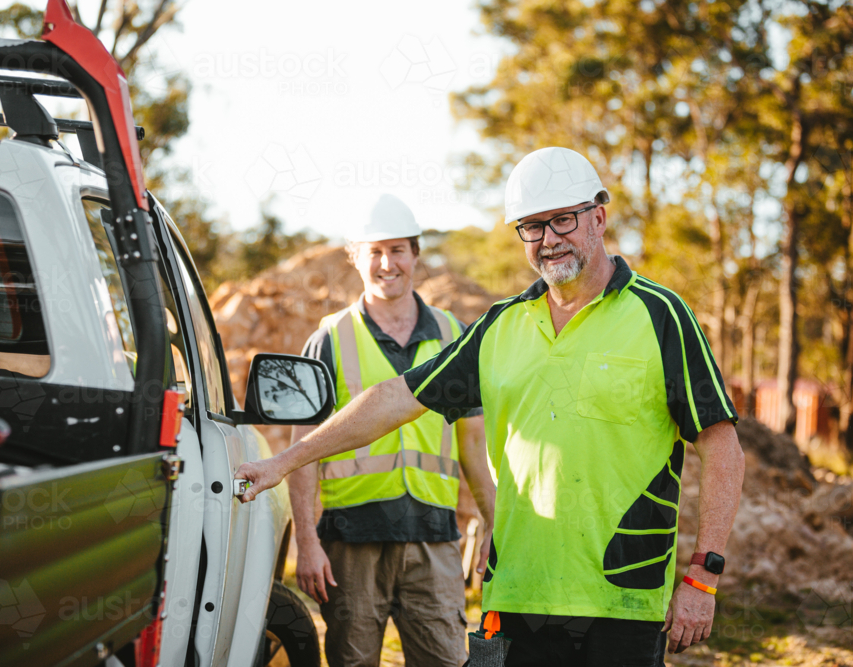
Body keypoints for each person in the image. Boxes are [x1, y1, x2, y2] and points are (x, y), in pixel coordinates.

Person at [237, 149, 745, 667]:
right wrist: (283, 463)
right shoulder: (500, 327)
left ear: (598, 217)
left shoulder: (661, 315)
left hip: (623, 598)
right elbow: (395, 399)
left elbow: (721, 443)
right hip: (518, 598)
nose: (548, 239)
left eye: (562, 220)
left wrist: (703, 575)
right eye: (531, 226)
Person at [289, 194, 496, 667]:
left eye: (398, 250)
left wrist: (492, 520)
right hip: (350, 543)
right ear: (356, 258)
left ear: (416, 254)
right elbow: (302, 448)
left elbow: (474, 442)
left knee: (446, 660)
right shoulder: (329, 338)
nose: (388, 263)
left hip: (434, 539)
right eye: (375, 251)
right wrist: (307, 541)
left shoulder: (454, 335)